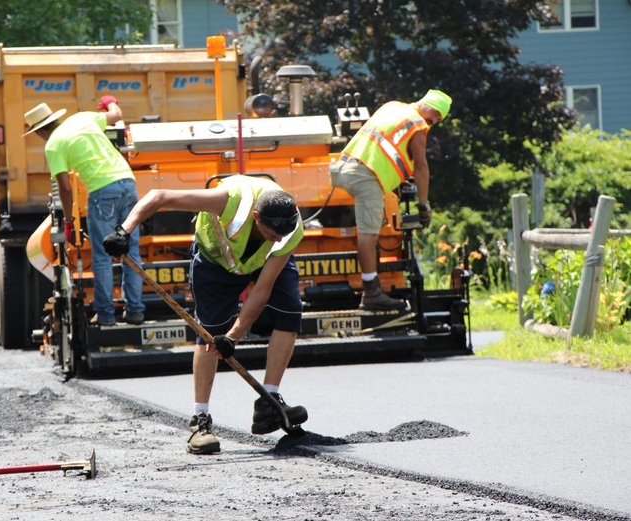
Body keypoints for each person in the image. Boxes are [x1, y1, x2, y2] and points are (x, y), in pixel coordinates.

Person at [103, 174, 308, 454]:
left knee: (289, 313)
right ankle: (200, 420)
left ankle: (268, 401)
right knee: (209, 334)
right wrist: (124, 231)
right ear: (257, 217)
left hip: (260, 264)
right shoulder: (227, 201)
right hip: (214, 262)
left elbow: (262, 291)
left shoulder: (288, 231)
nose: (278, 238)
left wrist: (233, 337)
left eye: (282, 234)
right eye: (273, 234)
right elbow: (159, 196)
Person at [23, 97, 145, 327]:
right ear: (54, 118)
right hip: (128, 182)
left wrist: (69, 220)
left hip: (102, 190)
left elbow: (66, 188)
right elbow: (117, 115)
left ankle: (107, 316)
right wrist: (110, 102)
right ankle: (136, 312)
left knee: (102, 255)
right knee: (131, 250)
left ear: (39, 132)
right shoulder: (82, 118)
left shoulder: (53, 145)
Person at [331, 89, 452, 310]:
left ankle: (371, 286)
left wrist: (397, 178)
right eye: (435, 113)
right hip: (365, 176)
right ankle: (372, 293)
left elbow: (382, 150)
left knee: (372, 226)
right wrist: (423, 203)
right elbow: (421, 167)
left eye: (438, 119)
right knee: (368, 233)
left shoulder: (392, 106)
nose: (433, 120)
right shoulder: (417, 125)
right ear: (426, 104)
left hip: (345, 167)